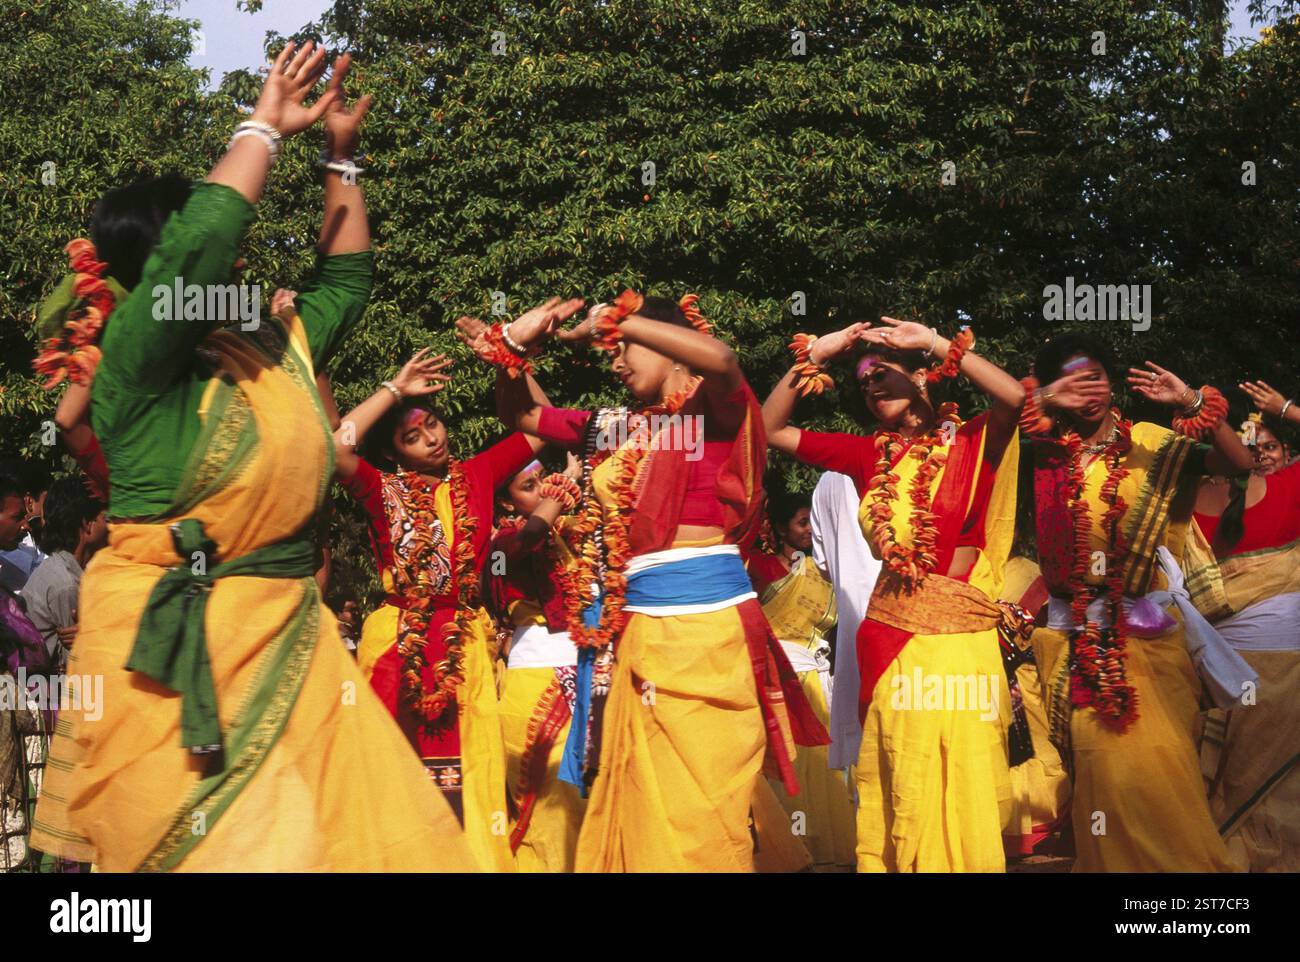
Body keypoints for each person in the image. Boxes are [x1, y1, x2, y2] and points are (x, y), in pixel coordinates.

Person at [30, 44, 475, 871]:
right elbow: (191, 262)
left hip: (293, 655)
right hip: (172, 666)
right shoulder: (130, 364)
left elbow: (344, 283)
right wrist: (262, 126)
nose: (237, 257)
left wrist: (339, 155)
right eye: (222, 244)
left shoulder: (267, 354)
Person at [460, 292, 827, 872]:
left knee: (706, 809)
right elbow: (524, 418)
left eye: (624, 347)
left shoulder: (715, 416)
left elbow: (724, 361)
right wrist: (513, 348)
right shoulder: (617, 427)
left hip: (709, 636)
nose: (614, 360)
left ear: (665, 341)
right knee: (640, 800)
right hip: (637, 639)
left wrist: (611, 321)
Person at [763, 316, 1025, 872]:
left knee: (964, 767)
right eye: (863, 382)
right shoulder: (866, 457)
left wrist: (935, 341)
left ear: (924, 379)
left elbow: (1016, 398)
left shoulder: (973, 442)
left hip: (959, 639)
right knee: (906, 773)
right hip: (890, 638)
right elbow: (767, 429)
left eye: (883, 373)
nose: (872, 386)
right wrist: (818, 356)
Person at [1022, 332, 1254, 872]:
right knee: (1105, 782)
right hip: (1076, 642)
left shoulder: (1150, 441)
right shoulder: (1043, 453)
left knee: (1160, 776)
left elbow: (1238, 461)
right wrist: (1044, 399)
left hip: (1147, 642)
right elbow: (1002, 412)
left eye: (1097, 374)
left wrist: (1194, 403)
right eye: (1073, 379)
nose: (1090, 388)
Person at [334, 340, 566, 872]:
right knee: (398, 768)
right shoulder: (380, 487)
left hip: (462, 642)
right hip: (397, 641)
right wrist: (394, 387)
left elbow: (544, 426)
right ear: (394, 453)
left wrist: (512, 354)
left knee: (471, 766)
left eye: (432, 423)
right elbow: (337, 446)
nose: (430, 437)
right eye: (411, 436)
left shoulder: (480, 474)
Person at [1184, 410, 1300, 871]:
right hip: (1252, 672)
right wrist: (1288, 407)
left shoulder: (1178, 504)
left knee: (1232, 790)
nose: (1259, 454)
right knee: (1265, 791)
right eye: (1253, 445)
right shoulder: (1185, 506)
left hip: (1234, 672)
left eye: (1270, 446)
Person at [485, 456, 588, 871]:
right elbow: (531, 536)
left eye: (546, 480)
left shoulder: (575, 537)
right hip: (538, 679)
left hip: (588, 671)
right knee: (553, 796)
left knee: (591, 790)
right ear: (507, 504)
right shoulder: (503, 544)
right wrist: (566, 488)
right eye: (530, 487)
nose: (545, 489)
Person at [751, 489, 855, 871]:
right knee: (790, 762)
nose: (809, 530)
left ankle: (823, 848)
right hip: (779, 677)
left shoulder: (820, 570)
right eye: (800, 522)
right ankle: (792, 848)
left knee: (819, 762)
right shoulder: (759, 566)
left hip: (814, 675)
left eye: (811, 522)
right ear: (779, 528)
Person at [809, 470, 880, 773]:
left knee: (863, 750)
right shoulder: (899, 462)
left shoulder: (827, 483)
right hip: (901, 620)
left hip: (853, 629)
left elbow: (823, 565)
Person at [23, 477, 106, 670]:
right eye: (106, 518)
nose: (112, 526)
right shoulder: (67, 585)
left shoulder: (61, 567)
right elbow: (77, 664)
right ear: (88, 524)